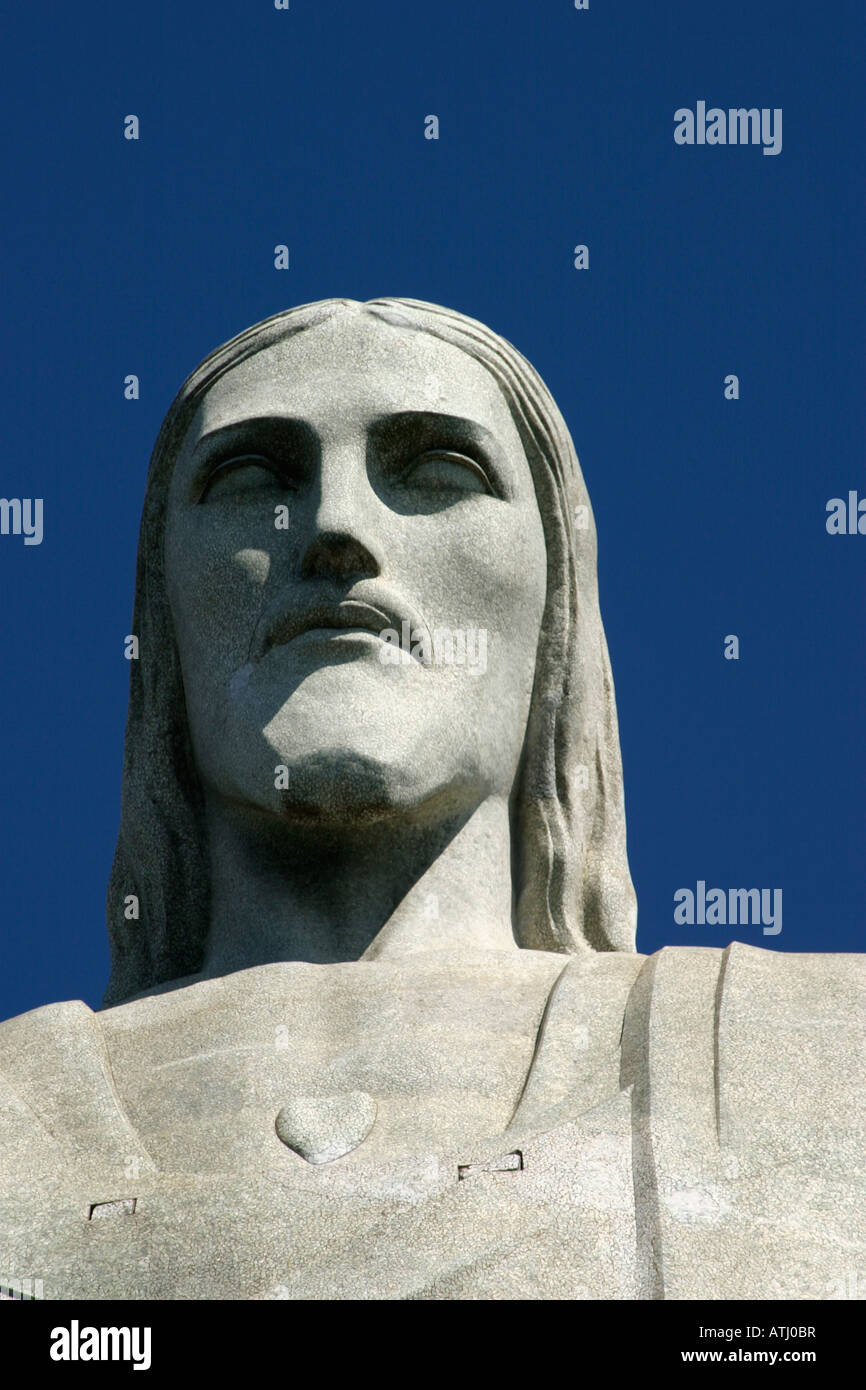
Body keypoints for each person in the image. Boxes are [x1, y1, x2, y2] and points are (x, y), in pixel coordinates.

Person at [0, 300, 862, 1300]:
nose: (333, 528)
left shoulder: (818, 1053)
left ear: (555, 610)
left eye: (438, 471)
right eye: (250, 478)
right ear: (167, 615)